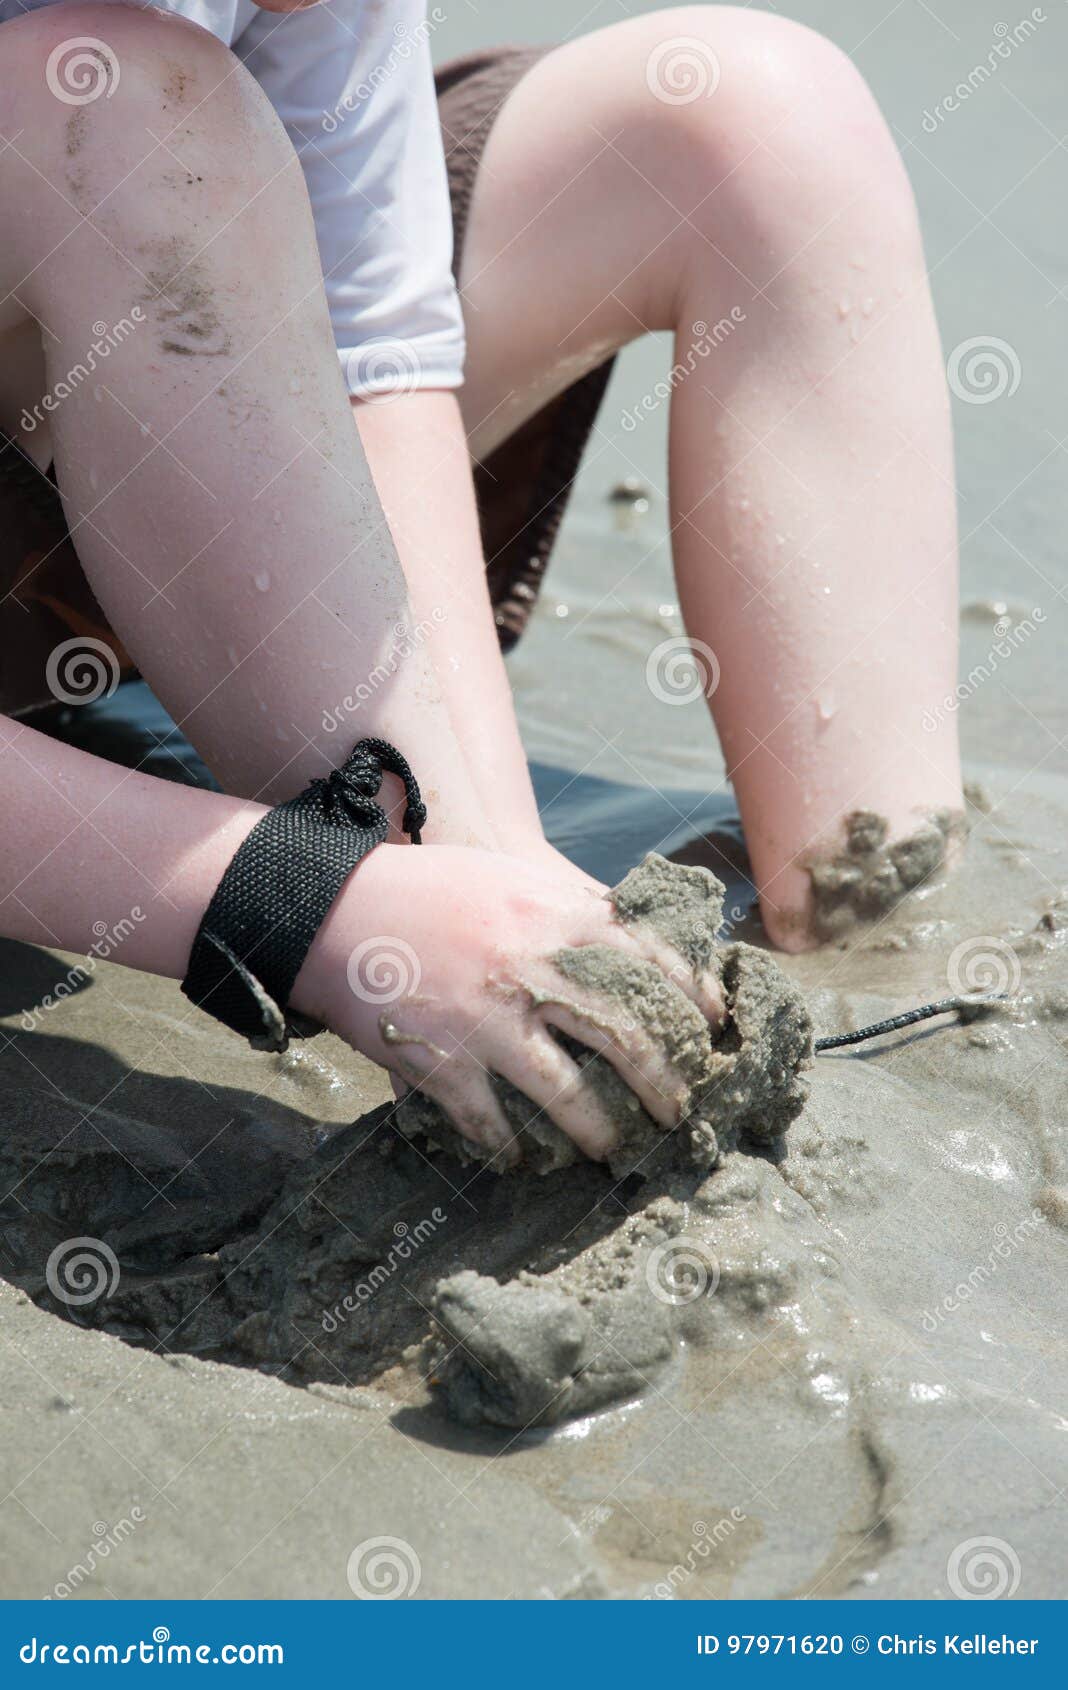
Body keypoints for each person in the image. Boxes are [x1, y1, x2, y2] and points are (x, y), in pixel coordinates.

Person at [0, 1, 962, 1162]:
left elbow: (374, 374)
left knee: (763, 120)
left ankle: (878, 947)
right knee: (115, 102)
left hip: (184, 427)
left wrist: (483, 855)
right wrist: (309, 904)